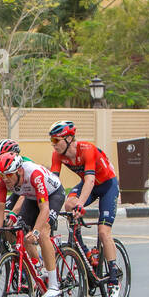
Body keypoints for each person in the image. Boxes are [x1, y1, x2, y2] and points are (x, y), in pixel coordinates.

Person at [48, 120, 121, 285]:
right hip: (90, 185)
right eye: (51, 141)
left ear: (68, 139)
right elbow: (53, 182)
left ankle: (114, 278)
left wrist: (80, 205)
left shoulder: (87, 149)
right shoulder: (57, 155)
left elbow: (89, 180)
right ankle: (84, 251)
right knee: (69, 204)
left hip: (107, 185)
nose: (53, 145)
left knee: (103, 232)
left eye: (56, 140)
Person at [0, 152, 65, 297]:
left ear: (19, 171)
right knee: (20, 230)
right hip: (32, 197)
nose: (5, 179)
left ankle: (54, 285)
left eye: (9, 175)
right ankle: (40, 266)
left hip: (53, 195)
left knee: (43, 232)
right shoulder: (3, 179)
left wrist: (36, 231)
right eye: (3, 175)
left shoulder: (34, 174)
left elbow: (45, 208)